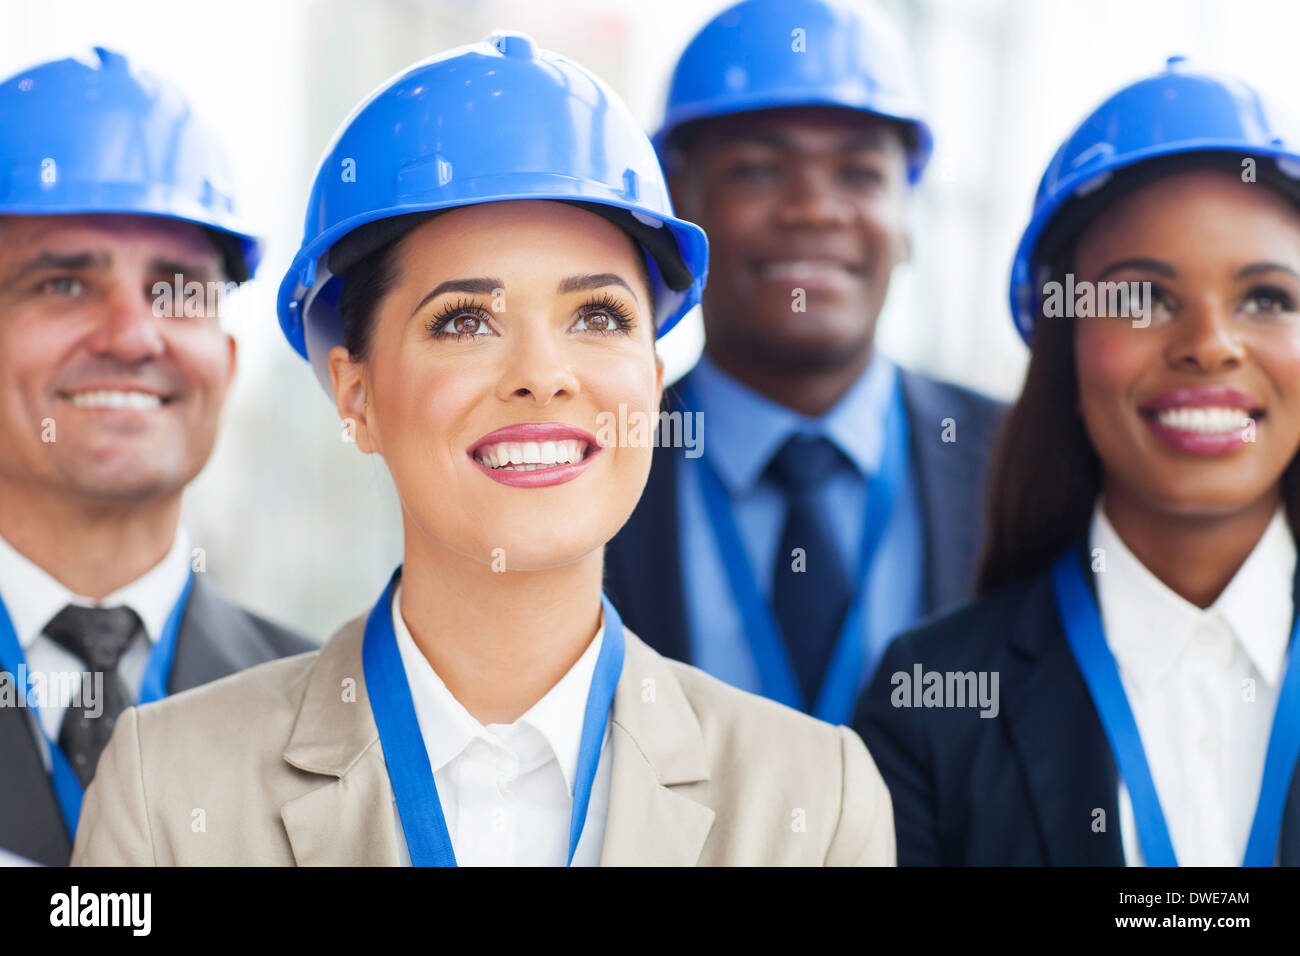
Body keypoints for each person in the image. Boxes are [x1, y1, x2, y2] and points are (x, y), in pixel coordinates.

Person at [71, 33, 894, 867]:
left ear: (650, 381)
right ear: (356, 394)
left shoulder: (815, 802)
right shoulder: (166, 791)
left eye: (598, 316)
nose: (542, 375)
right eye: (465, 320)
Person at [855, 58, 1300, 865]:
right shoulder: (928, 698)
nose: (1209, 346)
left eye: (1267, 298)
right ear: (1064, 345)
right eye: (1140, 298)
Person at [604, 0, 1005, 726]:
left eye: (859, 174)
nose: (815, 210)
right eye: (758, 170)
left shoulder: (1014, 460)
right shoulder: (591, 461)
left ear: (906, 220)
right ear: (680, 210)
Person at [0, 47, 315, 867]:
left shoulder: (339, 710)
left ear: (228, 361)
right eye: (63, 284)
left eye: (177, 288)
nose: (135, 336)